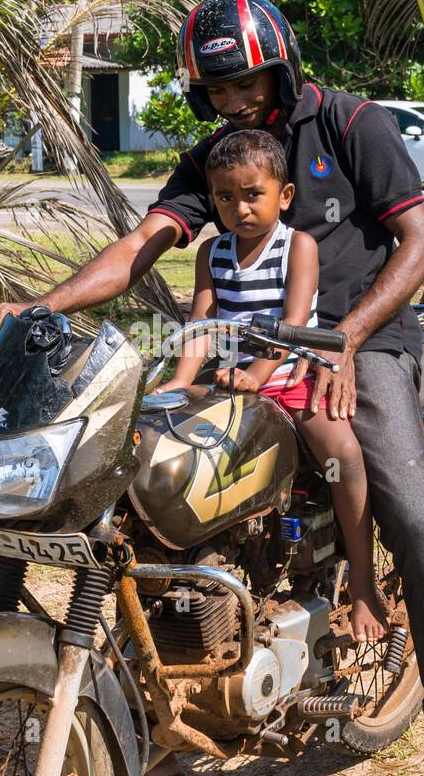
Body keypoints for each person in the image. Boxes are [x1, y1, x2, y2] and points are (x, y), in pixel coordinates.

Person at [0, 0, 424, 776]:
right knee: (143, 491)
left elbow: (421, 245)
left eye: (245, 82)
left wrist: (340, 338)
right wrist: (36, 306)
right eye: (216, 89)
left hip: (362, 343)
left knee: (414, 520)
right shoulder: (215, 159)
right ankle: (169, 714)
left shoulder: (354, 125)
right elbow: (137, 249)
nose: (233, 100)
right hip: (246, 354)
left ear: (280, 66)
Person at [163, 126, 387, 644]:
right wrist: (178, 382)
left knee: (343, 455)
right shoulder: (211, 254)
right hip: (233, 383)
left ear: (284, 196)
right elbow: (200, 326)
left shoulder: (298, 247)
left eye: (252, 194)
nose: (239, 208)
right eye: (224, 197)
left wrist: (257, 374)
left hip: (289, 377)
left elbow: (291, 323)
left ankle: (363, 583)